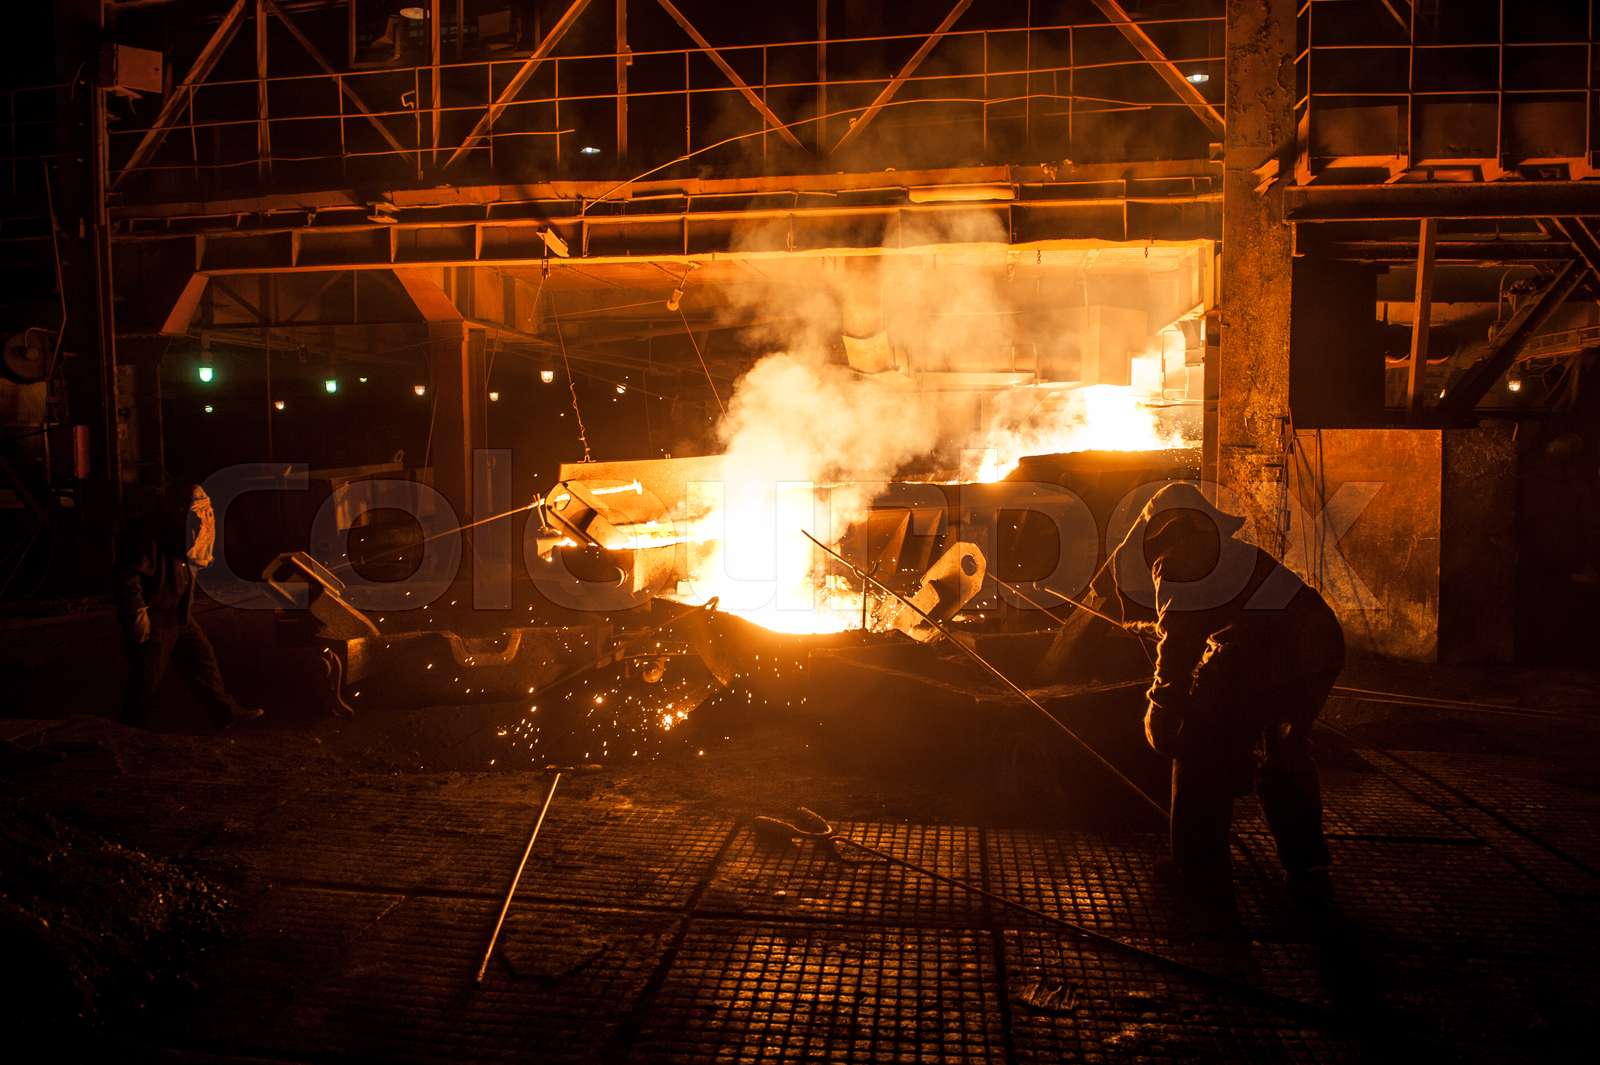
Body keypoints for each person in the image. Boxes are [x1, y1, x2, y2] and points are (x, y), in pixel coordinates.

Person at [1110, 482, 1345, 906]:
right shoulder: (1233, 552)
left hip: (1265, 656)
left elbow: (1180, 643)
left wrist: (1161, 708)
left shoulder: (1178, 558)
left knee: (1199, 749)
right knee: (1286, 751)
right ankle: (1307, 868)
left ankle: (1197, 873)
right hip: (1321, 647)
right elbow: (1216, 620)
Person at [115, 483, 263, 730]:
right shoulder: (149, 534)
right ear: (179, 509)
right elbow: (127, 576)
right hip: (157, 618)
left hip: (179, 615)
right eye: (198, 509)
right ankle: (128, 730)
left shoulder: (180, 535)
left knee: (202, 660)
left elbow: (189, 559)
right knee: (146, 679)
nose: (204, 516)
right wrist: (137, 612)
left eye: (207, 509)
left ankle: (224, 713)